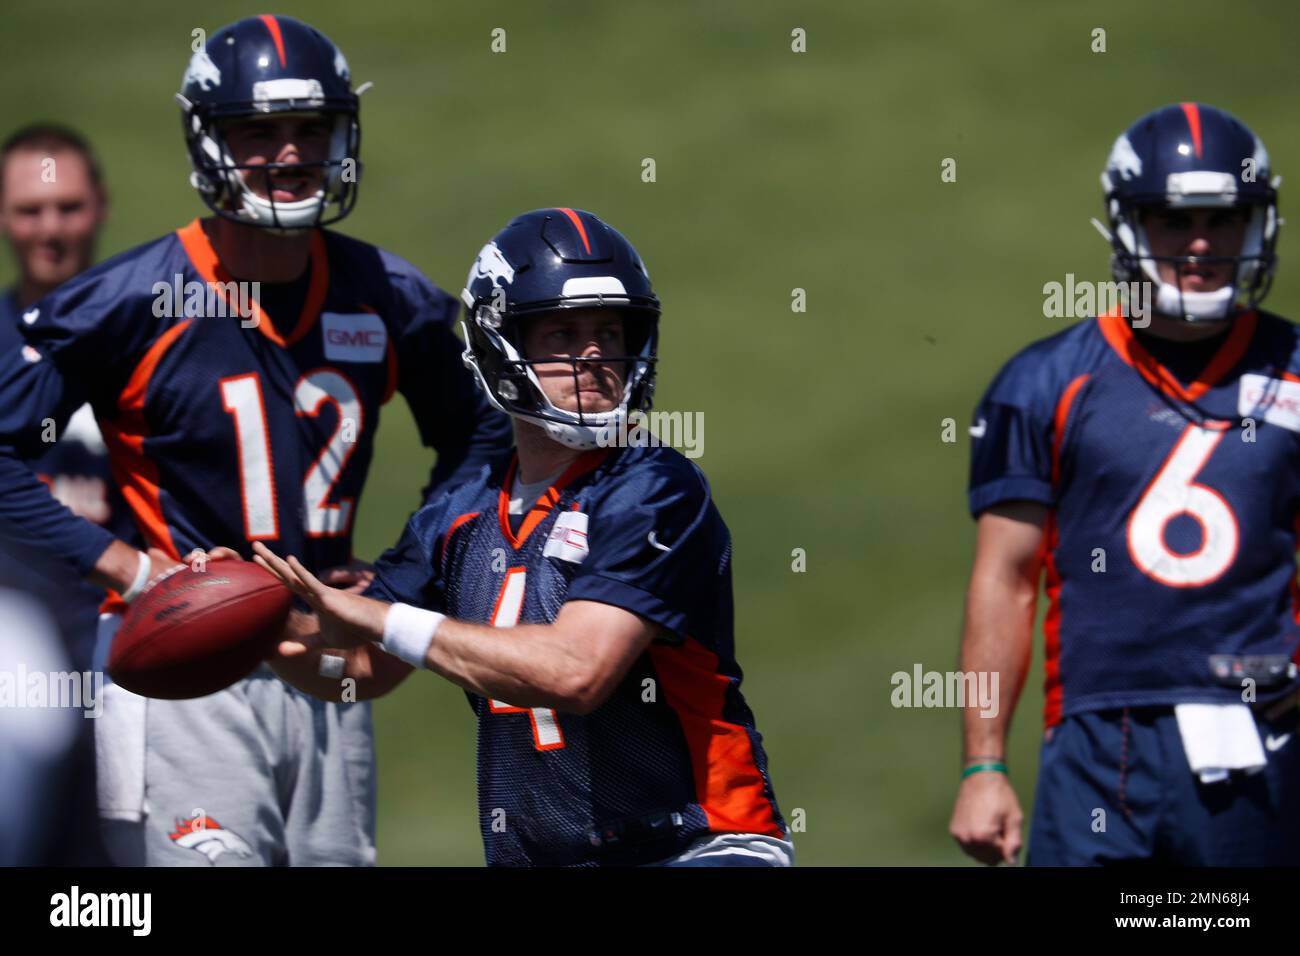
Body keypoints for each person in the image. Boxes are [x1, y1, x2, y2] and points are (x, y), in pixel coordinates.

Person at [0, 14, 510, 866]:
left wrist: (406, 576)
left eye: (311, 128)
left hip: (330, 665)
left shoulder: (388, 295)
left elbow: (485, 435)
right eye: (259, 133)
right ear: (211, 144)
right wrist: (127, 568)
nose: (289, 153)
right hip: (185, 670)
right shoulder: (130, 300)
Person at [254, 208, 791, 866]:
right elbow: (361, 668)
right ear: (497, 345)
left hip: (697, 846)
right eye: (564, 332)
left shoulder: (654, 489)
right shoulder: (459, 511)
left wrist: (380, 617)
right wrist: (266, 633)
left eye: (609, 331)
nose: (594, 355)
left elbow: (576, 671)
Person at [950, 103, 1300, 866]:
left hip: (1263, 730)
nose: (1201, 243)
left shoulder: (1294, 370)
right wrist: (983, 765)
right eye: (1174, 221)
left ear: (1257, 225)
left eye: (1223, 218)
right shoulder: (1045, 381)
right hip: (1096, 738)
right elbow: (1005, 579)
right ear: (1127, 225)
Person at [0, 123, 132, 864]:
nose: (51, 228)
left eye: (69, 206)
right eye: (30, 209)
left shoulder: (155, 342)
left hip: (139, 655)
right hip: (15, 662)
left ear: (101, 206)